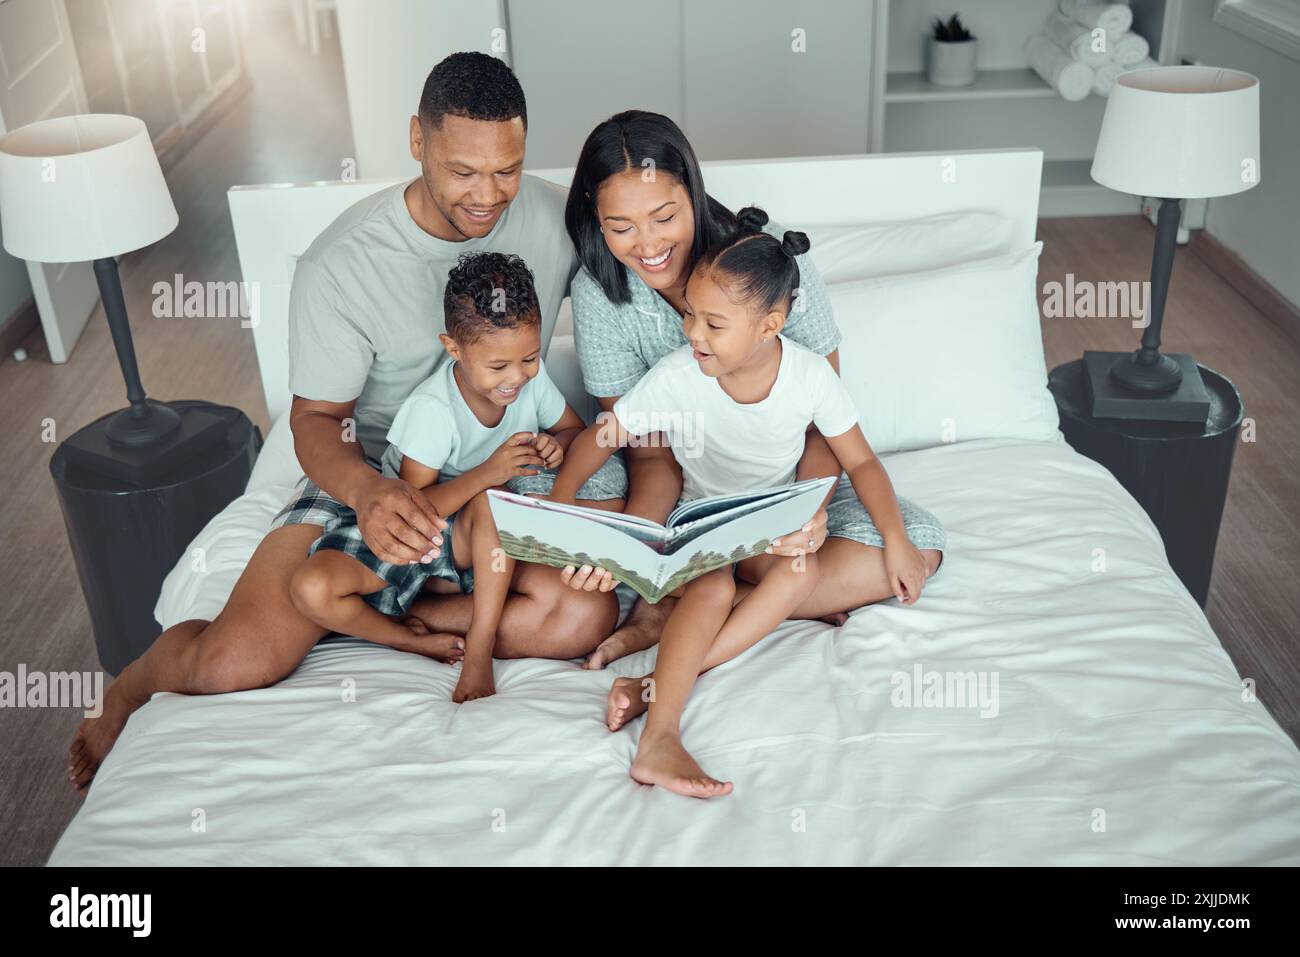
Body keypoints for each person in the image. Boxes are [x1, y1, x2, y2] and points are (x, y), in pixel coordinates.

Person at [69, 53, 620, 791]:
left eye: (507, 170)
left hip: (498, 477)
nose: (489, 195)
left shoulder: (559, 219)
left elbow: (662, 250)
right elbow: (315, 422)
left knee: (583, 618)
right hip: (379, 475)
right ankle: (133, 686)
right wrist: (366, 493)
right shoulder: (343, 261)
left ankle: (393, 610)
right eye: (463, 171)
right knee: (232, 663)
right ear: (416, 141)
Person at [549, 210, 945, 798]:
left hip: (770, 521)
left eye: (713, 323)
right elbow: (604, 436)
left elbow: (859, 461)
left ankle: (652, 680)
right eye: (689, 316)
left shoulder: (810, 377)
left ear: (770, 325)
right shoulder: (677, 376)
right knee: (712, 587)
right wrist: (563, 504)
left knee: (798, 571)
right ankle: (660, 735)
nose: (693, 335)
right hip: (697, 518)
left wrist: (895, 540)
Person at [560, 110, 935, 670]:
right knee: (641, 548)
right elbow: (648, 452)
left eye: (665, 217)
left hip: (787, 482)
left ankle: (701, 603)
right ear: (595, 215)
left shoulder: (770, 263)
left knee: (916, 548)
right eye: (622, 228)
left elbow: (821, 427)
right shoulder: (600, 293)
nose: (649, 246)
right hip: (678, 493)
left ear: (692, 188)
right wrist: (641, 541)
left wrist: (807, 513)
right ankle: (698, 594)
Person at [289, 252, 623, 702]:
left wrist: (556, 445)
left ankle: (431, 614)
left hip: (477, 544)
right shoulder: (433, 411)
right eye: (498, 366)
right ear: (454, 348)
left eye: (527, 358)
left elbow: (570, 430)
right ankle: (429, 641)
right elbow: (414, 508)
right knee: (309, 589)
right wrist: (489, 472)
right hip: (416, 536)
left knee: (590, 613)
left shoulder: (532, 378)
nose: (516, 378)